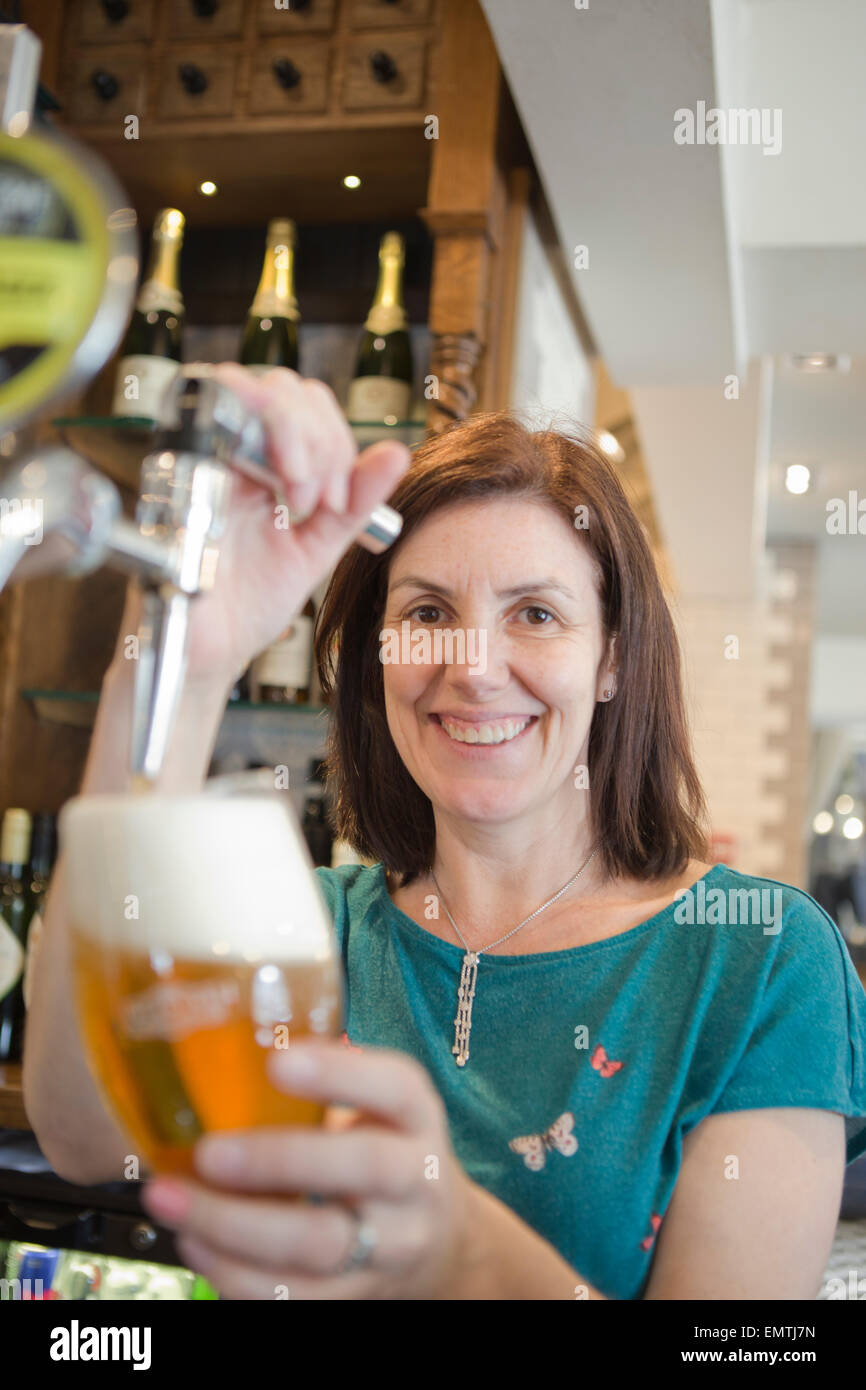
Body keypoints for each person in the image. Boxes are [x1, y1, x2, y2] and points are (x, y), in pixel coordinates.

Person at [24, 366, 866, 1300]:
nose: (470, 668)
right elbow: (82, 1127)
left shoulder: (757, 959)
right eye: (427, 613)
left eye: (536, 614)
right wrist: (185, 657)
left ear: (612, 661)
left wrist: (462, 1256)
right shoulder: (301, 937)